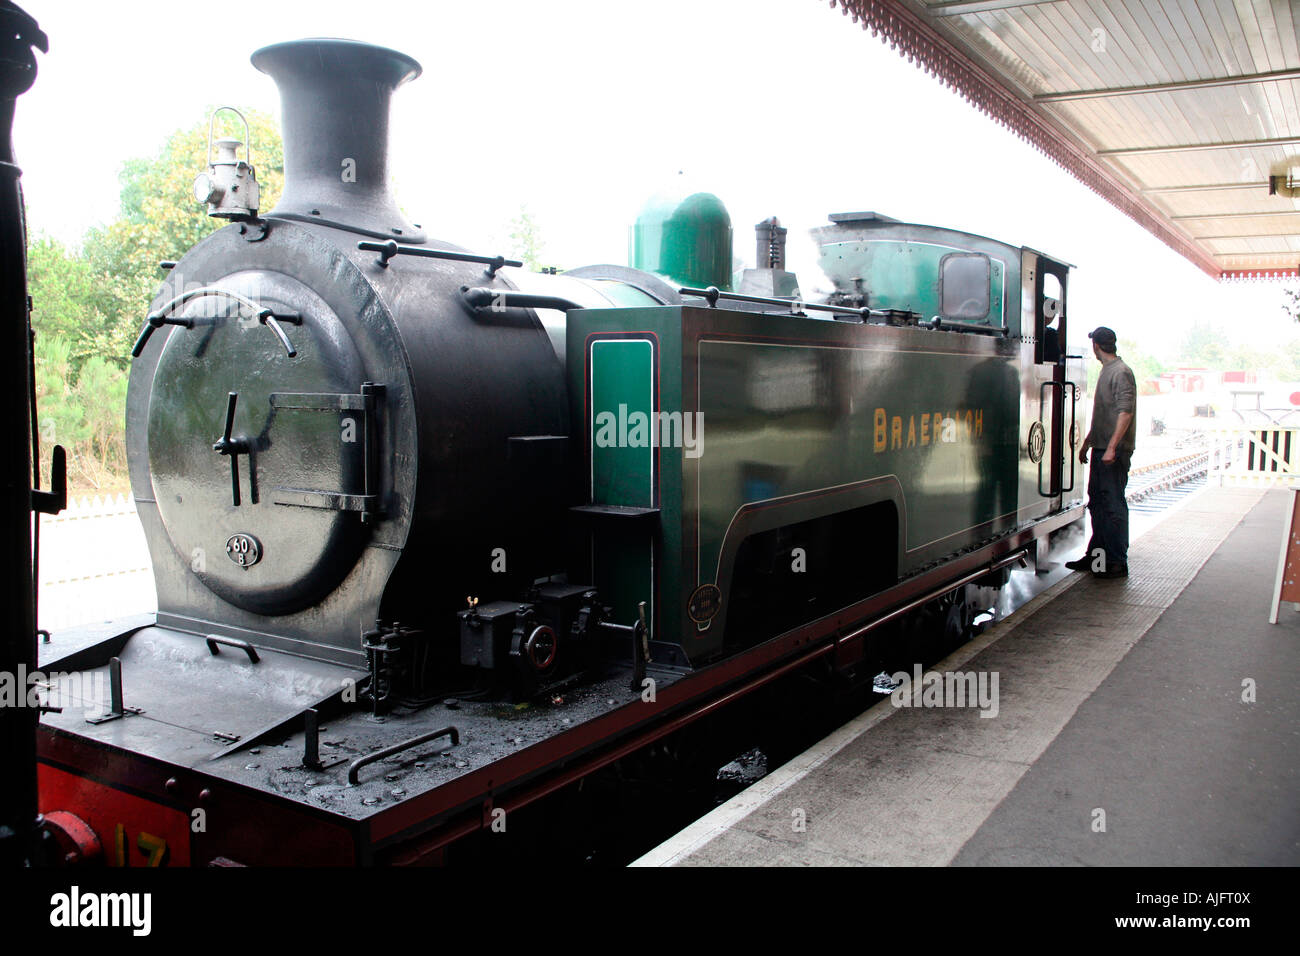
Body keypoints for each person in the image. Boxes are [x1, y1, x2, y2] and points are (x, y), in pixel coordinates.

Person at [1065, 326, 1136, 579]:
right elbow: (1103, 416)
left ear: (1096, 345)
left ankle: (1117, 561)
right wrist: (1088, 443)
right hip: (1102, 447)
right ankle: (1097, 557)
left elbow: (1124, 412)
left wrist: (1113, 447)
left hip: (1112, 451)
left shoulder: (1121, 372)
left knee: (1113, 504)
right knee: (1097, 501)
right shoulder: (1108, 370)